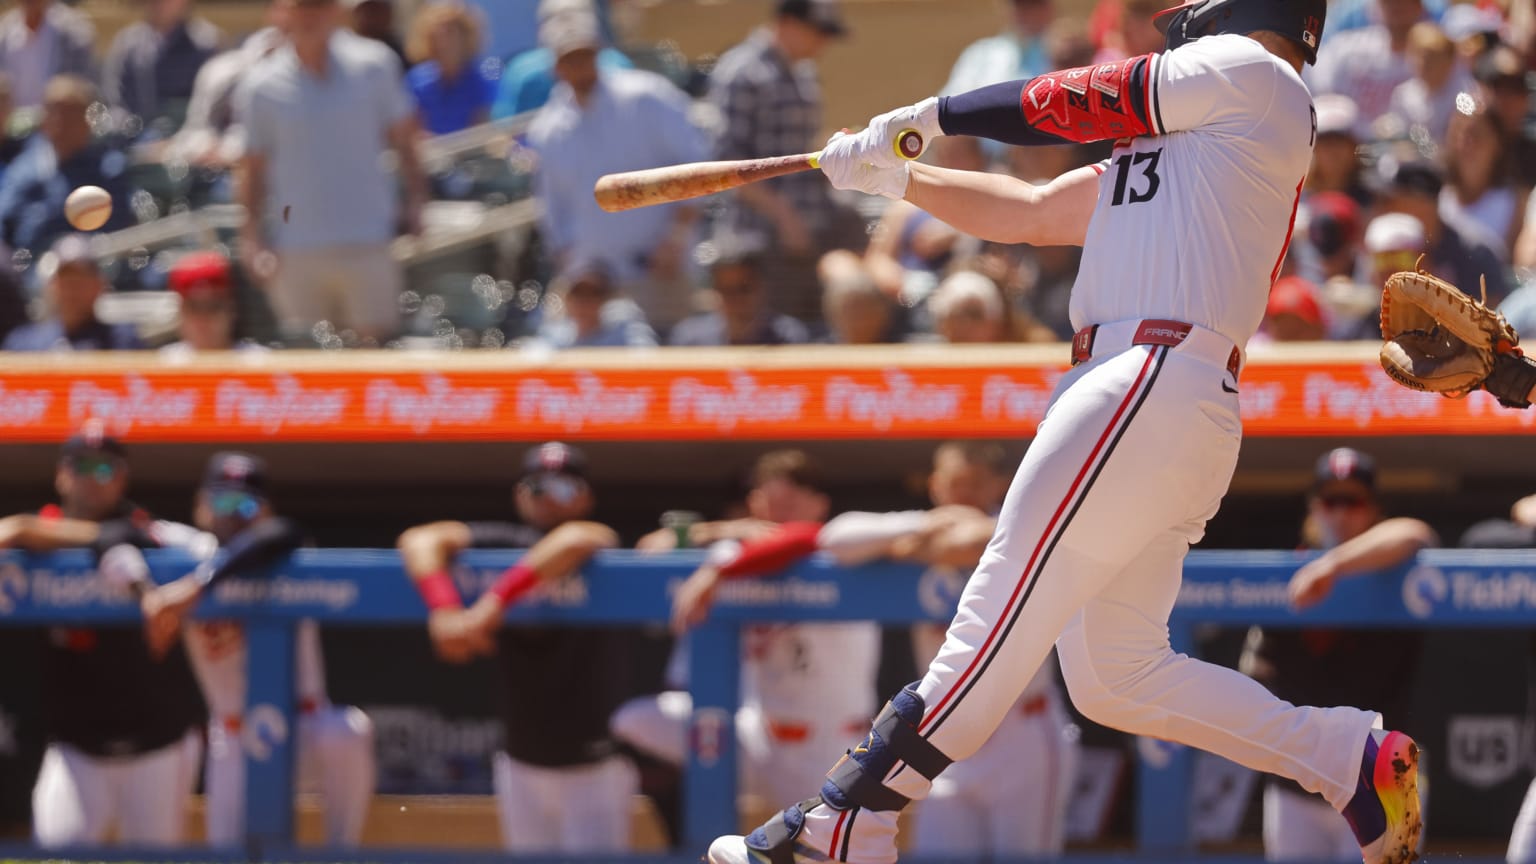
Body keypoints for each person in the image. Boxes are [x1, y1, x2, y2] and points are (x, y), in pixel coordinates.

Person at [707, 0, 1427, 862]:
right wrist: (894, 178)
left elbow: (1071, 97)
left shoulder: (1252, 71)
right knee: (1118, 675)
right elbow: (1034, 210)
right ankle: (1345, 757)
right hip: (1164, 395)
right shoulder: (1203, 131)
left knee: (994, 617)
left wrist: (931, 116)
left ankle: (849, 818)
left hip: (1147, 376)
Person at [814, 442, 1079, 859]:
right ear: (936, 485)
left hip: (1021, 730)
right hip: (944, 735)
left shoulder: (1022, 522)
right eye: (956, 482)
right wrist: (924, 524)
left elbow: (968, 541)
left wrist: (921, 546)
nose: (965, 492)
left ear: (1000, 485)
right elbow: (833, 538)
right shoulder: (919, 528)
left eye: (976, 482)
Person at [111, 452, 375, 848]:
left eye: (246, 504)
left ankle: (341, 853)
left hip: (304, 729)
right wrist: (146, 593)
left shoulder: (282, 551)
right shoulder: (186, 547)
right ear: (201, 505)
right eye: (223, 500)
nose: (233, 513)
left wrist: (197, 587)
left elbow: (282, 533)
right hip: (234, 737)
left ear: (265, 510)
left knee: (348, 731)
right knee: (228, 852)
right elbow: (114, 537)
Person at [397, 442, 637, 853]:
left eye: (564, 487)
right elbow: (420, 539)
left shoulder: (597, 546)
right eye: (537, 486)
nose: (548, 497)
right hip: (521, 763)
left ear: (587, 497)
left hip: (593, 767)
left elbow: (577, 537)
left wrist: (492, 605)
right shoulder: (505, 542)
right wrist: (444, 608)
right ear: (519, 494)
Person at [613, 450, 879, 808]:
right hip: (761, 737)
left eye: (791, 502)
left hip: (831, 746)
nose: (780, 513)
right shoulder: (740, 550)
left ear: (820, 504)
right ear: (754, 503)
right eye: (771, 502)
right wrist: (726, 530)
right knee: (635, 719)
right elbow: (648, 550)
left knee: (826, 843)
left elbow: (804, 536)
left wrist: (716, 572)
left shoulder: (842, 552)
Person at [0, 426, 204, 848]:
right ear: (61, 475)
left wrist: (23, 528)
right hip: (78, 748)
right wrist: (23, 530)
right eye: (82, 466)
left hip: (156, 742)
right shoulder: (38, 533)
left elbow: (122, 537)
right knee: (55, 849)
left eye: (105, 468)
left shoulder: (143, 528)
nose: (93, 478)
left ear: (122, 478)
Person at [1240, 448, 1435, 862]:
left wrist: (1331, 567)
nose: (1341, 513)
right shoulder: (1289, 568)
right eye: (1331, 500)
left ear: (1374, 509)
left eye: (1353, 501)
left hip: (1383, 780)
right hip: (1298, 784)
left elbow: (1416, 532)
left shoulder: (1393, 563)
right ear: (1314, 507)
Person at [236, 0, 425, 346]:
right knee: (305, 362)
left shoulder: (375, 64)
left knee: (373, 354)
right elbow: (252, 168)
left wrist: (416, 202)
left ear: (336, 10)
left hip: (368, 239)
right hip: (296, 247)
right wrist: (252, 239)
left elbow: (406, 142)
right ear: (285, 12)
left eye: (319, 5)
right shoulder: (260, 84)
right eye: (302, 6)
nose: (310, 15)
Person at [527, 8, 705, 334]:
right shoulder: (548, 128)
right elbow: (553, 209)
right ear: (555, 65)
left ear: (598, 51)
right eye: (569, 57)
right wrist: (573, 268)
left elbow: (694, 167)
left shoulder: (647, 97)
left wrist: (675, 240)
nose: (578, 65)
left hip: (659, 275)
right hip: (592, 291)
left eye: (584, 54)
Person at [706, 0, 863, 323]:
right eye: (817, 32)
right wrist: (784, 216)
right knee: (774, 332)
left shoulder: (803, 73)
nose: (823, 43)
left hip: (811, 228)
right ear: (788, 23)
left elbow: (797, 147)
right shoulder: (743, 72)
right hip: (761, 238)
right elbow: (726, 161)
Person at [0, 76, 134, 257]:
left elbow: (118, 227)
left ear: (88, 121)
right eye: (53, 112)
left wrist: (79, 249)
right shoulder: (24, 169)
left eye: (70, 114)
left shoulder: (109, 168)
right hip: (28, 265)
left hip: (91, 263)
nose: (60, 122)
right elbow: (5, 222)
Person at [1374, 158, 1511, 305]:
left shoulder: (1476, 255)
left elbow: (1494, 313)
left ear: (1421, 203)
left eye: (1388, 201)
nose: (1381, 209)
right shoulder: (1388, 247)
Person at [491, 0, 633, 120]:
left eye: (584, 57)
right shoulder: (523, 76)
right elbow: (505, 133)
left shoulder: (618, 67)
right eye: (569, 61)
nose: (578, 69)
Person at [3, 234, 142, 351]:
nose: (71, 290)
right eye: (64, 281)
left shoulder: (122, 342)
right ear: (51, 286)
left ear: (98, 285)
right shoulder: (22, 343)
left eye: (79, 282)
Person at [102, 0, 223, 133]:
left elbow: (210, 108)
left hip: (187, 137)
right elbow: (115, 101)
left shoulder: (205, 43)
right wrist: (131, 130)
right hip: (133, 136)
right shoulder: (127, 43)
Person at [1309, 0, 1427, 135]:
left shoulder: (1434, 57)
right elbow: (1320, 95)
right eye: (1388, 2)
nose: (1395, 6)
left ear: (1419, 7)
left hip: (1406, 143)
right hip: (1346, 141)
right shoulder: (1346, 50)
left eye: (1403, 1)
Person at [669, 241, 811, 347]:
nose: (736, 299)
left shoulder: (788, 336)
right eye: (726, 290)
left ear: (761, 288)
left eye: (743, 289)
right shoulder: (690, 338)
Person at [405, 1, 495, 135]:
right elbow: (413, 128)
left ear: (466, 35)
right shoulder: (416, 80)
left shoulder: (483, 79)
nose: (444, 41)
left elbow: (483, 128)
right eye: (437, 34)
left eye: (450, 31)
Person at [159, 250, 266, 358]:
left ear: (231, 310)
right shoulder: (162, 363)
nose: (203, 319)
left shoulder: (259, 361)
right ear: (180, 311)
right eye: (193, 307)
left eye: (213, 307)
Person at [530, 259, 658, 349]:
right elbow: (531, 358)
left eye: (594, 294)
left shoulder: (625, 332)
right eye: (578, 293)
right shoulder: (555, 334)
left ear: (607, 299)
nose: (584, 302)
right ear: (567, 298)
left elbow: (648, 361)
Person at [0, 0, 97, 112]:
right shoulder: (4, 31)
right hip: (10, 119)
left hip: (55, 119)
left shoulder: (75, 32)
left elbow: (82, 89)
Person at [344, 0, 407, 71]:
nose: (368, 16)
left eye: (375, 10)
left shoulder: (402, 53)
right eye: (364, 10)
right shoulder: (339, 49)